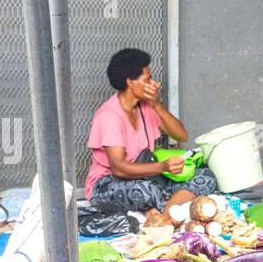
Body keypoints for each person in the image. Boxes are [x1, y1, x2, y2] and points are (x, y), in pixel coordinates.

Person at [85, 49, 212, 213]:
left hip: (146, 175)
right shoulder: (110, 116)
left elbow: (181, 135)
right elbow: (119, 168)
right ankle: (170, 209)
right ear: (131, 83)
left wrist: (157, 105)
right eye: (148, 79)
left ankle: (166, 211)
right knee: (145, 191)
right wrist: (162, 167)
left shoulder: (146, 106)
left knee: (205, 175)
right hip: (108, 183)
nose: (155, 84)